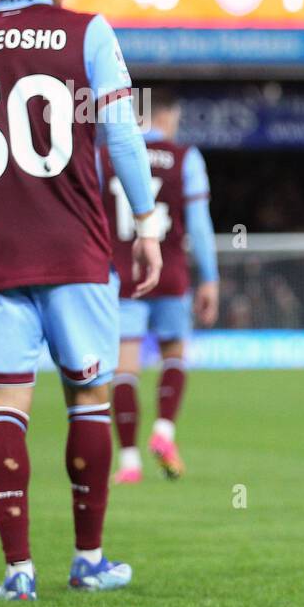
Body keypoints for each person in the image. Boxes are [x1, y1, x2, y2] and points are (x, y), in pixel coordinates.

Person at [0, 0, 161, 599]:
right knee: (88, 399)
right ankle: (88, 559)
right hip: (75, 248)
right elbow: (120, 137)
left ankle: (17, 571)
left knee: (5, 407)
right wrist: (147, 220)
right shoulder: (86, 31)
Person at [102, 89, 219, 483]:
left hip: (123, 276)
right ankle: (164, 431)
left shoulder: (107, 157)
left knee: (124, 371)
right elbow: (199, 227)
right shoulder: (186, 158)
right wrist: (209, 280)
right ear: (167, 115)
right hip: (170, 273)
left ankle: (130, 463)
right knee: (174, 355)